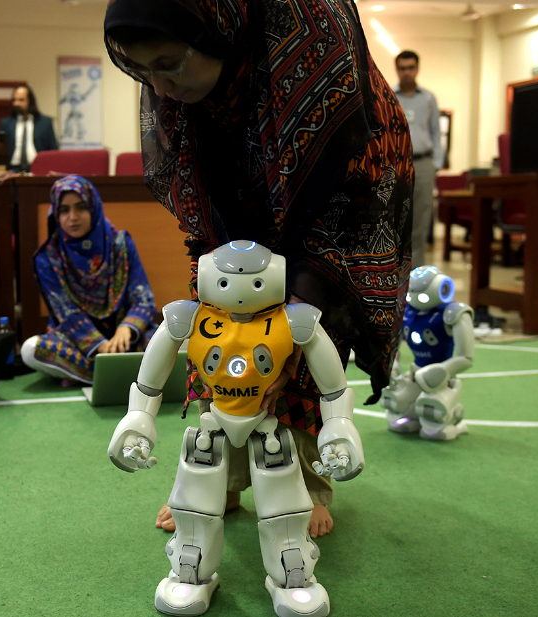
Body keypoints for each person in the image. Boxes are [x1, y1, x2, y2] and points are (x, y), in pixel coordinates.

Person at [104, 0, 413, 538]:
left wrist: (294, 324)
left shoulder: (313, 34)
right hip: (246, 199)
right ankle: (216, 482)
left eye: (170, 64)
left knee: (311, 333)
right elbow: (201, 219)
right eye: (141, 69)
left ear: (218, 33)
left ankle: (309, 480)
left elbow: (338, 218)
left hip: (343, 194)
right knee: (225, 331)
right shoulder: (188, 96)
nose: (158, 88)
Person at [21, 175, 158, 384]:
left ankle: (95, 376)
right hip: (80, 341)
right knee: (30, 349)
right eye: (64, 210)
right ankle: (128, 376)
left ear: (94, 208)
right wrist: (101, 347)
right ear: (55, 214)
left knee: (173, 341)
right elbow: (68, 314)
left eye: (81, 207)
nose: (72, 217)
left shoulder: (121, 244)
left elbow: (143, 299)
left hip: (125, 340)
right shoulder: (48, 257)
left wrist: (126, 328)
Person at [395, 50, 443, 266]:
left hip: (423, 164)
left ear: (417, 69)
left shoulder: (428, 98)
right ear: (397, 69)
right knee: (395, 218)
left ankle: (417, 274)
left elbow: (436, 132)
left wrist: (435, 165)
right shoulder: (389, 95)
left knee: (421, 220)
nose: (407, 72)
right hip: (396, 164)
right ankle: (394, 273)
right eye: (403, 68)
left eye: (411, 67)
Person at [0, 85, 58, 172]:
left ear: (30, 101)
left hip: (38, 168)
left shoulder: (45, 122)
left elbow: (53, 149)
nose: (16, 104)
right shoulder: (6, 123)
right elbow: (1, 151)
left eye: (21, 100)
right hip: (13, 170)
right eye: (14, 100)